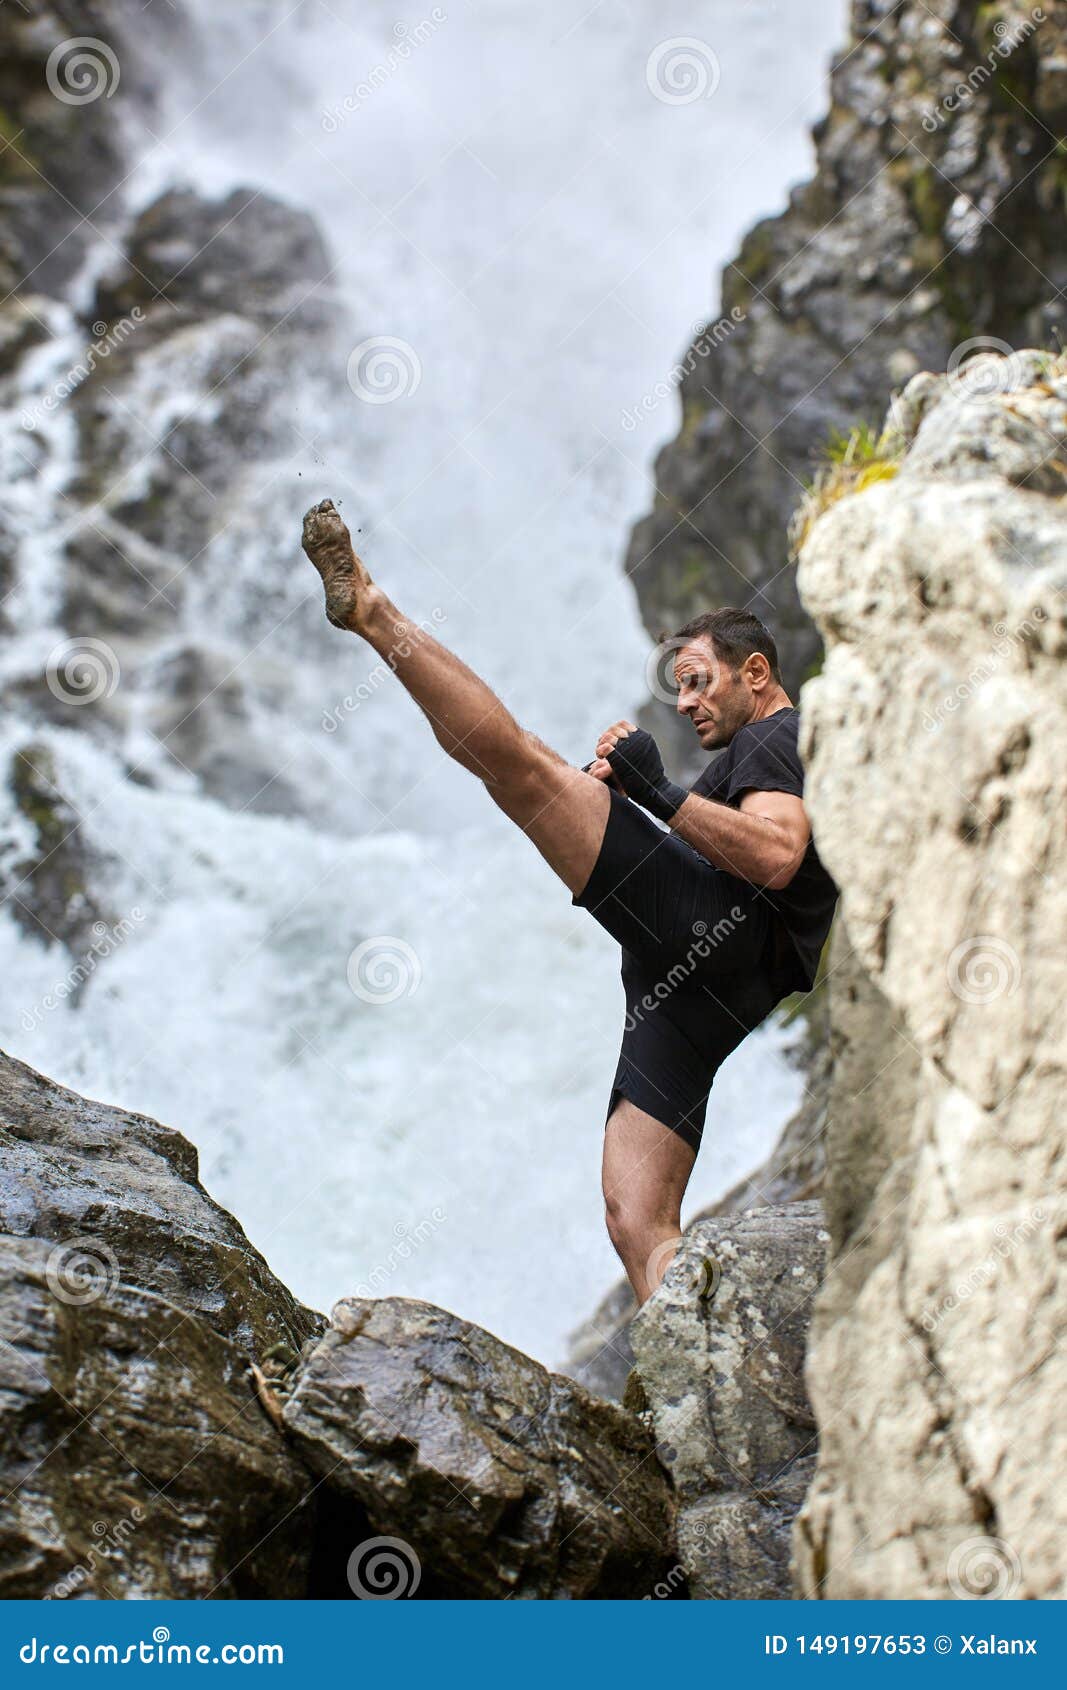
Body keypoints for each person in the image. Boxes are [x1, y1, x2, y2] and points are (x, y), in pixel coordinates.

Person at [301, 499, 837, 1305]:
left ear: (754, 674)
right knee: (636, 1216)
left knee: (517, 768)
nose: (686, 702)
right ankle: (694, 1362)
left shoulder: (776, 736)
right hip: (696, 991)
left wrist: (653, 791)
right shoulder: (746, 755)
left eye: (698, 683)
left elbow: (775, 852)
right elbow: (718, 835)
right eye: (678, 688)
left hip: (723, 936)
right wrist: (640, 795)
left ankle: (372, 612)